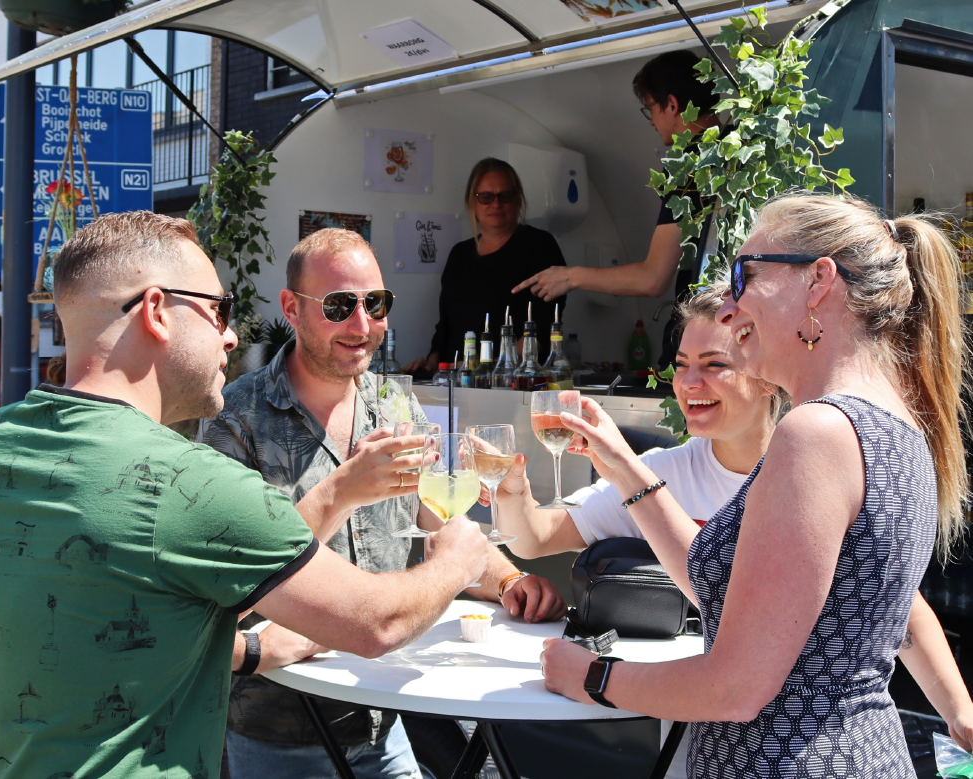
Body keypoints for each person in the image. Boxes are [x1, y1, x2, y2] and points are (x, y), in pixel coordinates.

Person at [0, 211, 491, 779]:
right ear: (157, 312)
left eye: (374, 303)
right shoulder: (190, 483)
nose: (230, 334)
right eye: (218, 310)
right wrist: (459, 558)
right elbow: (378, 625)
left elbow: (114, 624)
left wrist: (253, 651)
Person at [538, 195, 967, 778]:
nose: (728, 306)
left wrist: (593, 676)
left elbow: (735, 686)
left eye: (745, 275)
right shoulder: (894, 424)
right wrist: (623, 466)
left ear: (819, 280)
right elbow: (742, 594)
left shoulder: (816, 433)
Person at [202, 227, 565, 779]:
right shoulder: (236, 418)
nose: (362, 325)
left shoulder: (393, 401)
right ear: (291, 309)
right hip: (282, 728)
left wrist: (509, 580)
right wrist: (342, 491)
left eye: (376, 303)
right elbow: (234, 581)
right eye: (340, 305)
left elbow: (439, 519)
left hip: (385, 716)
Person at [514, 50, 724, 367]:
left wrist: (571, 277)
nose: (652, 120)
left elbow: (653, 279)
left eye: (650, 109)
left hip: (701, 343)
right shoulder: (745, 155)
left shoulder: (690, 169)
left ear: (672, 104)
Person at [402, 158, 566, 375]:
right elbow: (445, 325)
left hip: (514, 379)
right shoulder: (459, 254)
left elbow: (543, 324)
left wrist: (494, 366)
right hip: (456, 379)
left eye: (505, 196)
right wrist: (432, 363)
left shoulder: (539, 246)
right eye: (486, 197)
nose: (496, 204)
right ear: (472, 202)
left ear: (518, 201)